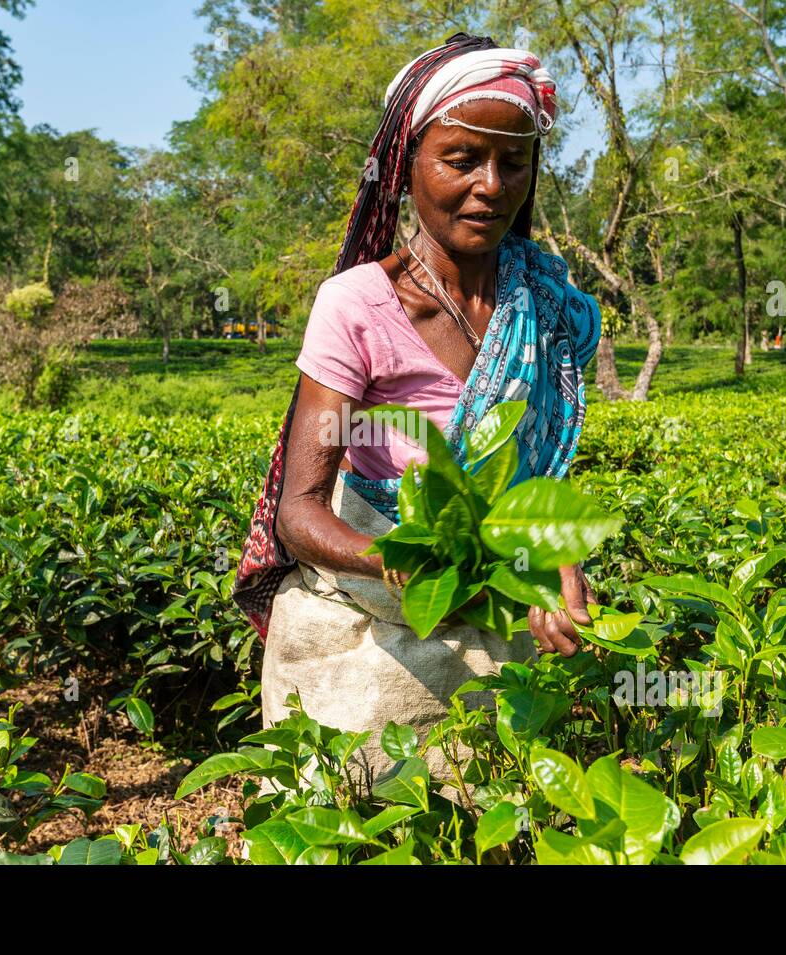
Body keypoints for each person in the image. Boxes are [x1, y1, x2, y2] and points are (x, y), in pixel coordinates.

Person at [232, 33, 605, 798]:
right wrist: (407, 564)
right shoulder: (358, 305)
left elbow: (535, 484)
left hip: (501, 615)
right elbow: (298, 511)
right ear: (407, 167)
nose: (491, 185)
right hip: (372, 630)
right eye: (461, 159)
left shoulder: (542, 303)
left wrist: (561, 570)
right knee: (362, 817)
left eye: (514, 162)